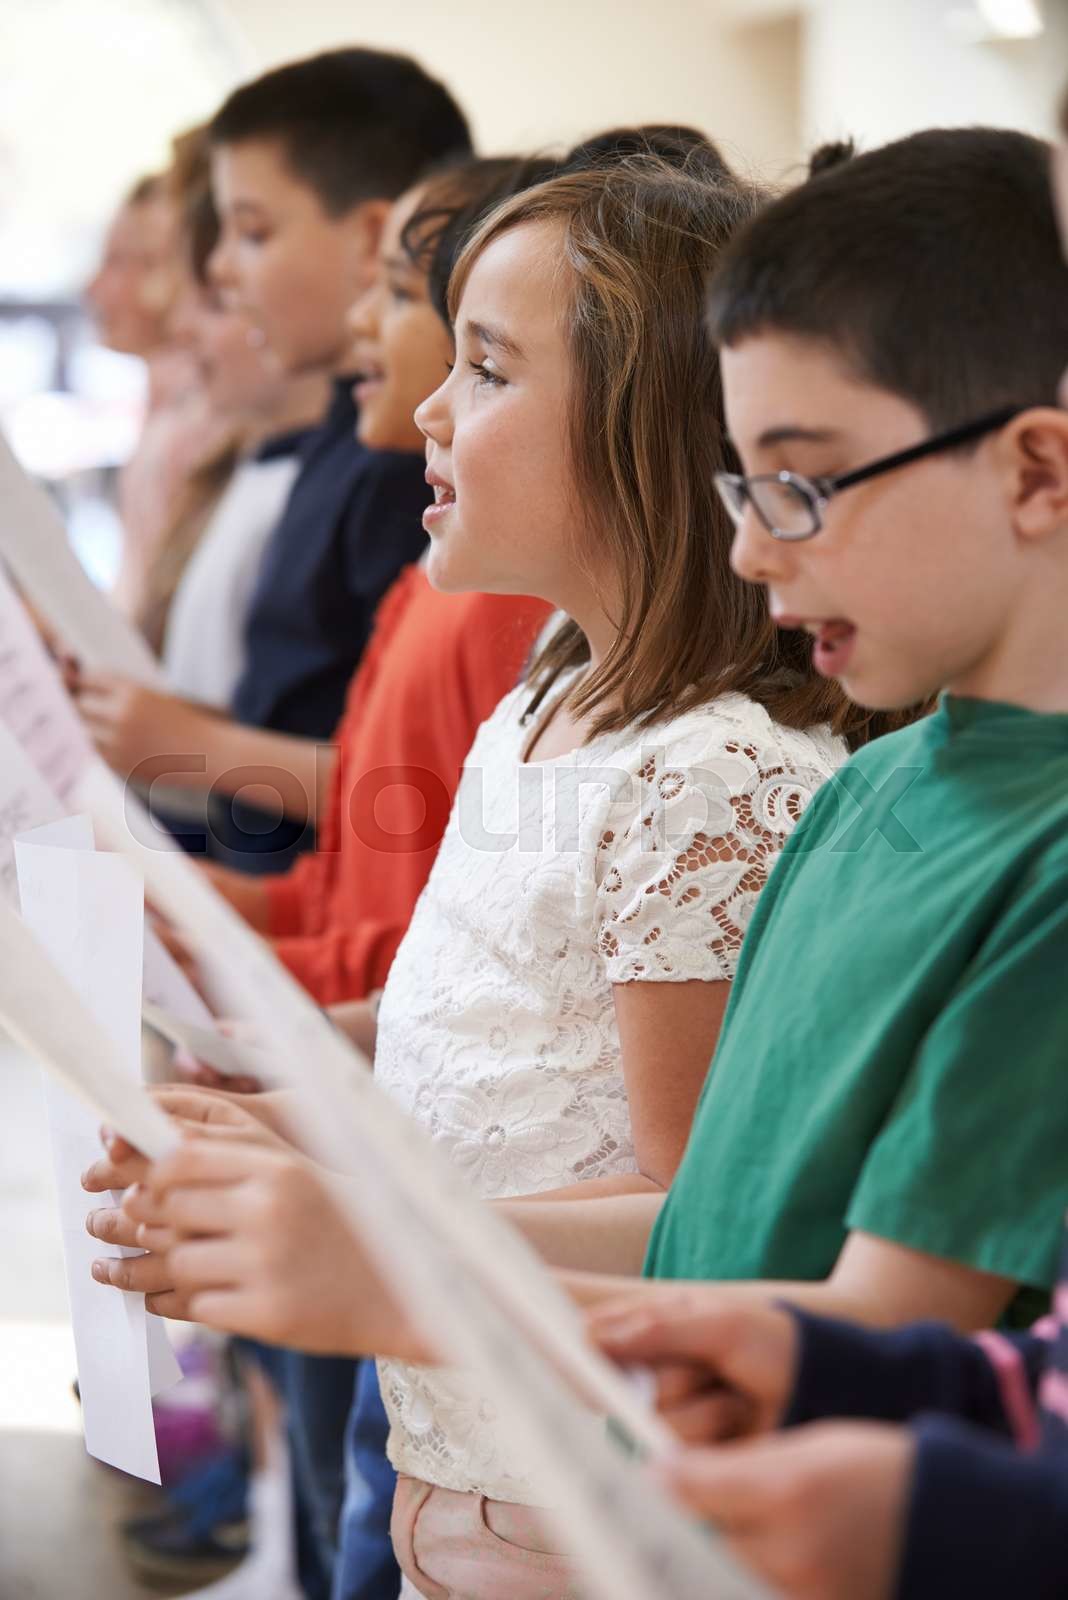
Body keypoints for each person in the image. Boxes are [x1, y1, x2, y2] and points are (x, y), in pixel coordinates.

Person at [86, 154, 900, 1597]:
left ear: (644, 426)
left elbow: (703, 1219)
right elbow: (475, 1064)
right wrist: (279, 1125)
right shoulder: (543, 693)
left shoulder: (712, 776)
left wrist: (362, 1228)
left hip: (582, 1491)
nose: (427, 411)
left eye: (488, 367)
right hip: (451, 1447)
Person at [73, 50, 472, 872]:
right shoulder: (336, 440)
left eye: (253, 233)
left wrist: (192, 746)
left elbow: (418, 784)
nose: (222, 269)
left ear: (370, 239)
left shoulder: (403, 468)